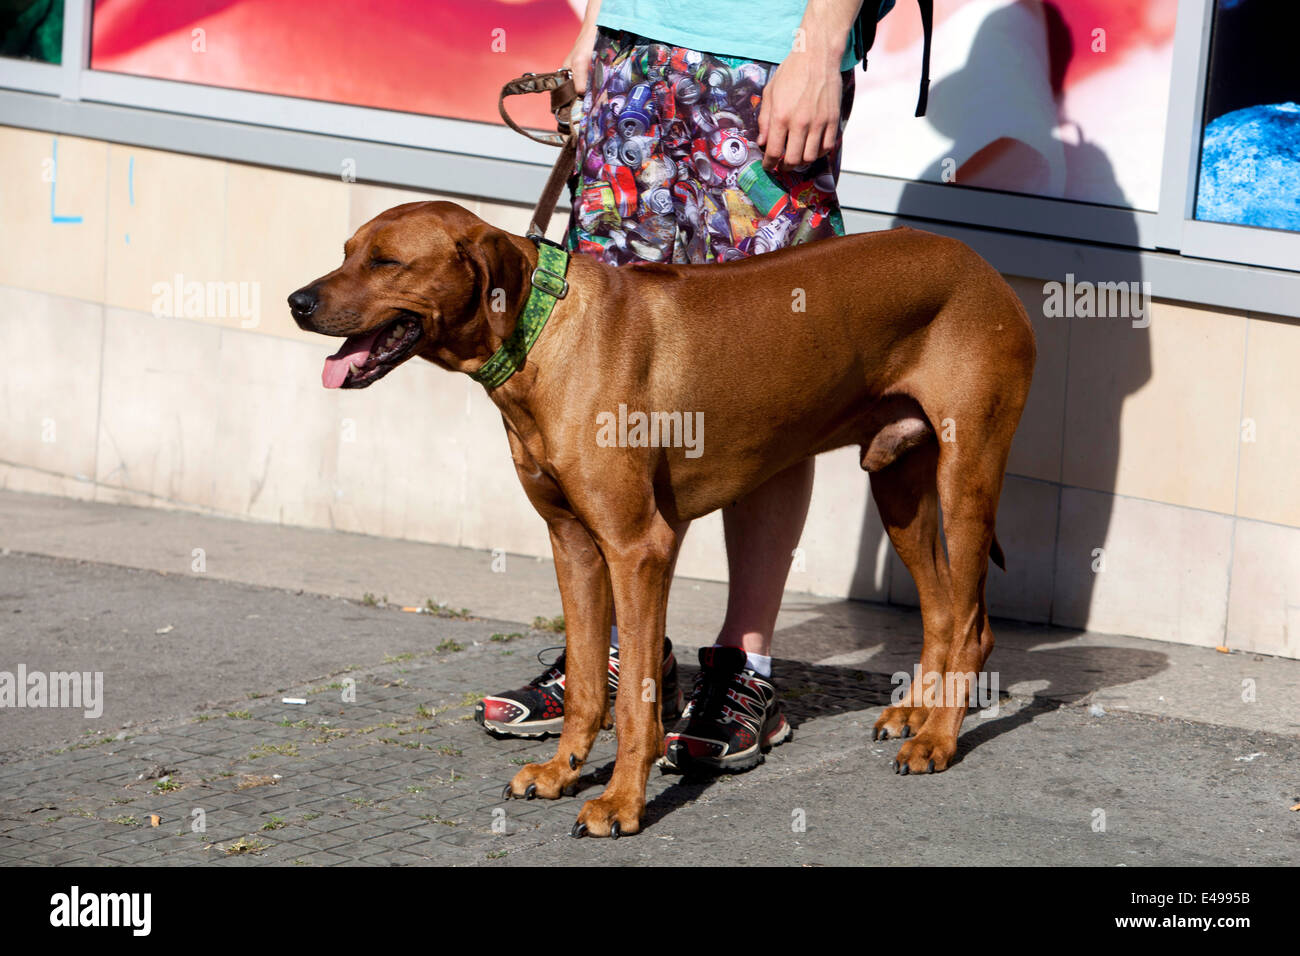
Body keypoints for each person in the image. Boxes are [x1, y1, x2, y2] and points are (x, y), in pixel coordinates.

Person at [475, 0, 886, 774]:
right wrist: (596, 25)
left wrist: (820, 43)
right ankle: (618, 659)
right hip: (633, 51)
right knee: (604, 358)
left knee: (767, 373)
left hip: (761, 65)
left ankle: (744, 668)